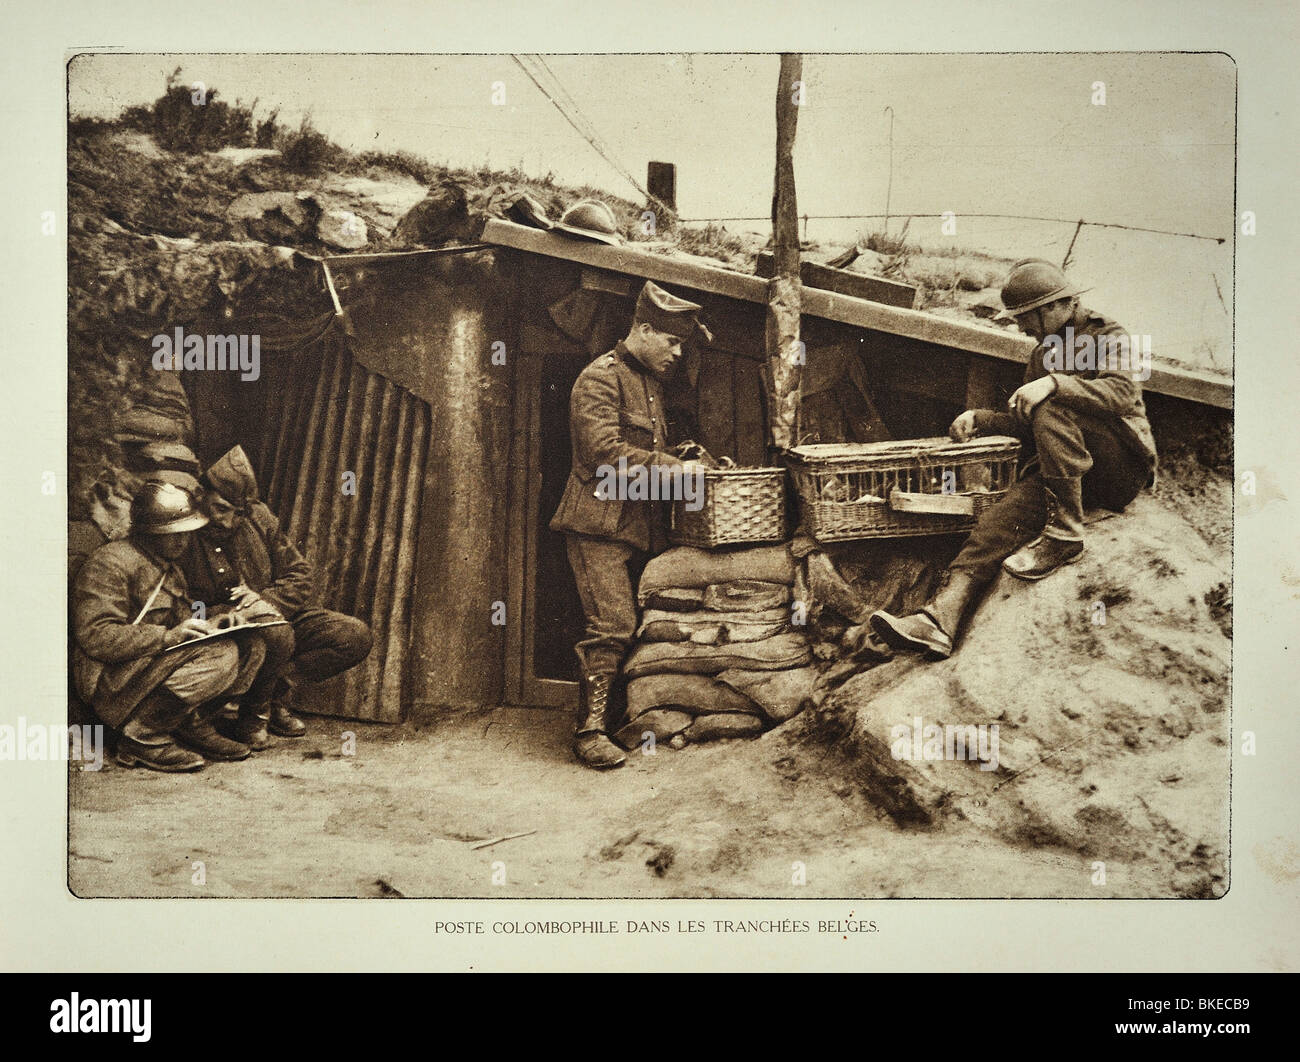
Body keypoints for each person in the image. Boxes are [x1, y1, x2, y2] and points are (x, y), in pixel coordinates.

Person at [870, 259, 1158, 658]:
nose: (1022, 328)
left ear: (1054, 306)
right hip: (1066, 475)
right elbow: (1034, 425)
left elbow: (1121, 394)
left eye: (1026, 318)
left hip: (1118, 468)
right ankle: (939, 620)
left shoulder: (1108, 335)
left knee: (1052, 405)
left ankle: (1065, 534)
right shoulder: (1044, 352)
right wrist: (984, 420)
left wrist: (1055, 384)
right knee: (997, 522)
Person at [550, 280, 710, 769]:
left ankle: (621, 717)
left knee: (638, 623)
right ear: (643, 328)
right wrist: (674, 471)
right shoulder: (600, 377)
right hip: (598, 523)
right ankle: (589, 731)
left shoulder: (649, 385)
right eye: (673, 341)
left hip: (636, 525)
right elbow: (602, 456)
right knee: (612, 624)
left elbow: (642, 451)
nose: (679, 353)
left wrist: (676, 455)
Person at [182, 445, 373, 747]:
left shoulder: (259, 518)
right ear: (200, 495)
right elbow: (176, 602)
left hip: (272, 613)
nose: (228, 521)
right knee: (277, 634)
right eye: (220, 509)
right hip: (219, 630)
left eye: (238, 513)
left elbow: (300, 573)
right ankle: (251, 718)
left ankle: (272, 696)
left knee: (354, 635)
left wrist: (263, 600)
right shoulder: (183, 530)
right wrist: (228, 612)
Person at [72, 481, 266, 771]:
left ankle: (186, 721)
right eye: (173, 533)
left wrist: (214, 620)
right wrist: (166, 637)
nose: (182, 541)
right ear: (148, 531)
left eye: (187, 532)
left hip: (145, 666)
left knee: (252, 645)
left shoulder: (167, 565)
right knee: (220, 657)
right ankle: (141, 736)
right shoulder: (111, 563)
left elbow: (179, 621)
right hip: (112, 680)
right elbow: (96, 636)